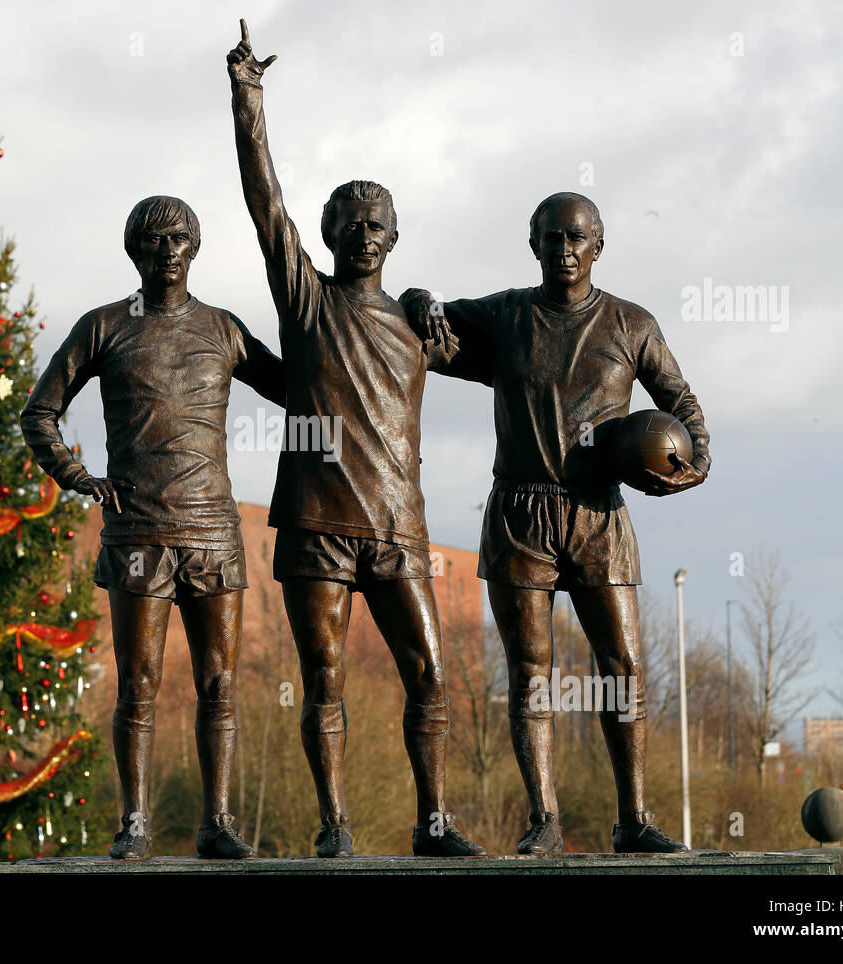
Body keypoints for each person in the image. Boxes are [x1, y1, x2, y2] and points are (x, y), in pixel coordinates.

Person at [227, 20, 485, 858]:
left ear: (395, 236)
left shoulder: (419, 324)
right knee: (324, 680)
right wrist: (248, 101)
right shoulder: (307, 300)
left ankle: (434, 822)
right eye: (350, 219)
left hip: (399, 524)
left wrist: (434, 306)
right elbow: (267, 204)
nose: (364, 230)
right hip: (316, 524)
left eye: (378, 221)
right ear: (333, 234)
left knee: (432, 678)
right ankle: (335, 825)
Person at [401, 192, 710, 854]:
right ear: (533, 244)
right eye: (551, 238)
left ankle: (634, 817)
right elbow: (426, 327)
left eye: (577, 238)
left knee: (623, 664)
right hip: (521, 512)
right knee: (530, 671)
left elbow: (681, 401)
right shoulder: (507, 314)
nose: (564, 250)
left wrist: (694, 464)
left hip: (600, 513)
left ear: (599, 246)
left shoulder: (632, 323)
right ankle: (544, 817)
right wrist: (419, 293)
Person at [20, 195, 284, 859]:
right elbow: (39, 412)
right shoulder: (104, 326)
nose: (165, 250)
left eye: (177, 239)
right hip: (138, 532)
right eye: (152, 240)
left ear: (194, 247)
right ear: (134, 250)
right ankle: (134, 823)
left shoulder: (223, 329)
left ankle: (217, 822)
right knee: (139, 684)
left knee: (219, 684)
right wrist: (77, 479)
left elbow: (299, 386)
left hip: (214, 534)